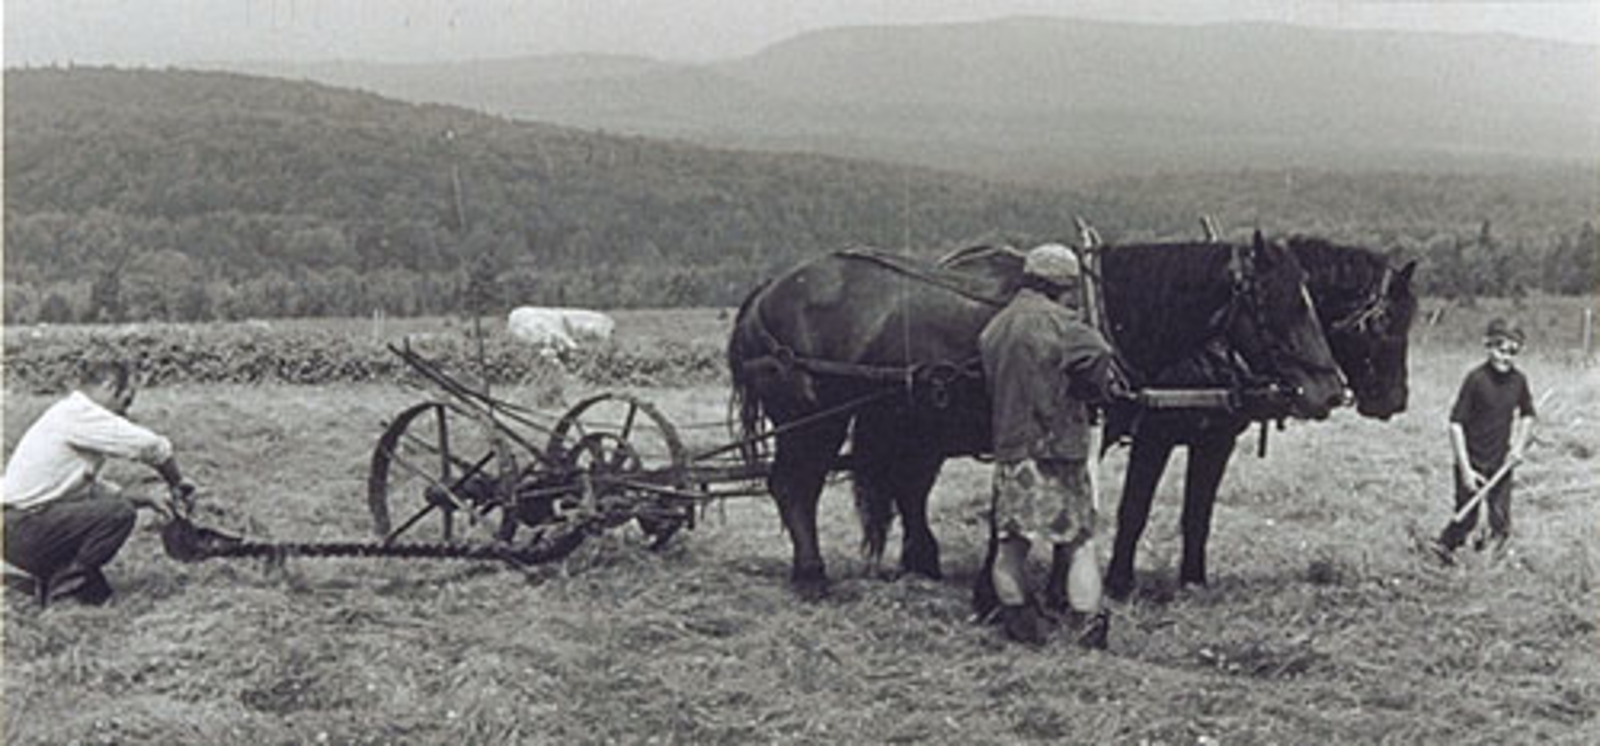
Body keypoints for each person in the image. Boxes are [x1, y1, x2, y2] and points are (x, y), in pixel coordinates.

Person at [978, 243, 1125, 647]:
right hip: (1058, 452)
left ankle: (1022, 628)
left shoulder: (996, 327)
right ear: (1064, 285)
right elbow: (1099, 361)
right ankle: (1086, 630)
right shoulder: (1068, 328)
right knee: (1078, 542)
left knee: (1010, 545)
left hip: (1012, 452)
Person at [3, 360, 194, 606]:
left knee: (99, 595)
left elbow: (88, 490)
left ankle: (47, 581)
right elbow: (151, 446)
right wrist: (177, 482)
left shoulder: (68, 416)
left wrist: (147, 498)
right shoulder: (79, 414)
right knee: (118, 514)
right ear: (108, 385)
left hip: (21, 525)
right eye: (125, 401)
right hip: (21, 526)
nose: (124, 412)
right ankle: (63, 593)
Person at [1434, 318, 1537, 561]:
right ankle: (1444, 549)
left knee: (1500, 518)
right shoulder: (1476, 379)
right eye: (1501, 349)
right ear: (1488, 346)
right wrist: (1466, 469)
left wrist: (1519, 447)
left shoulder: (1518, 381)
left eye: (1513, 352)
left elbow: (1528, 414)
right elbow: (1455, 424)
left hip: (1501, 462)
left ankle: (1492, 561)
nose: (1506, 357)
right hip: (1472, 462)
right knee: (1466, 517)